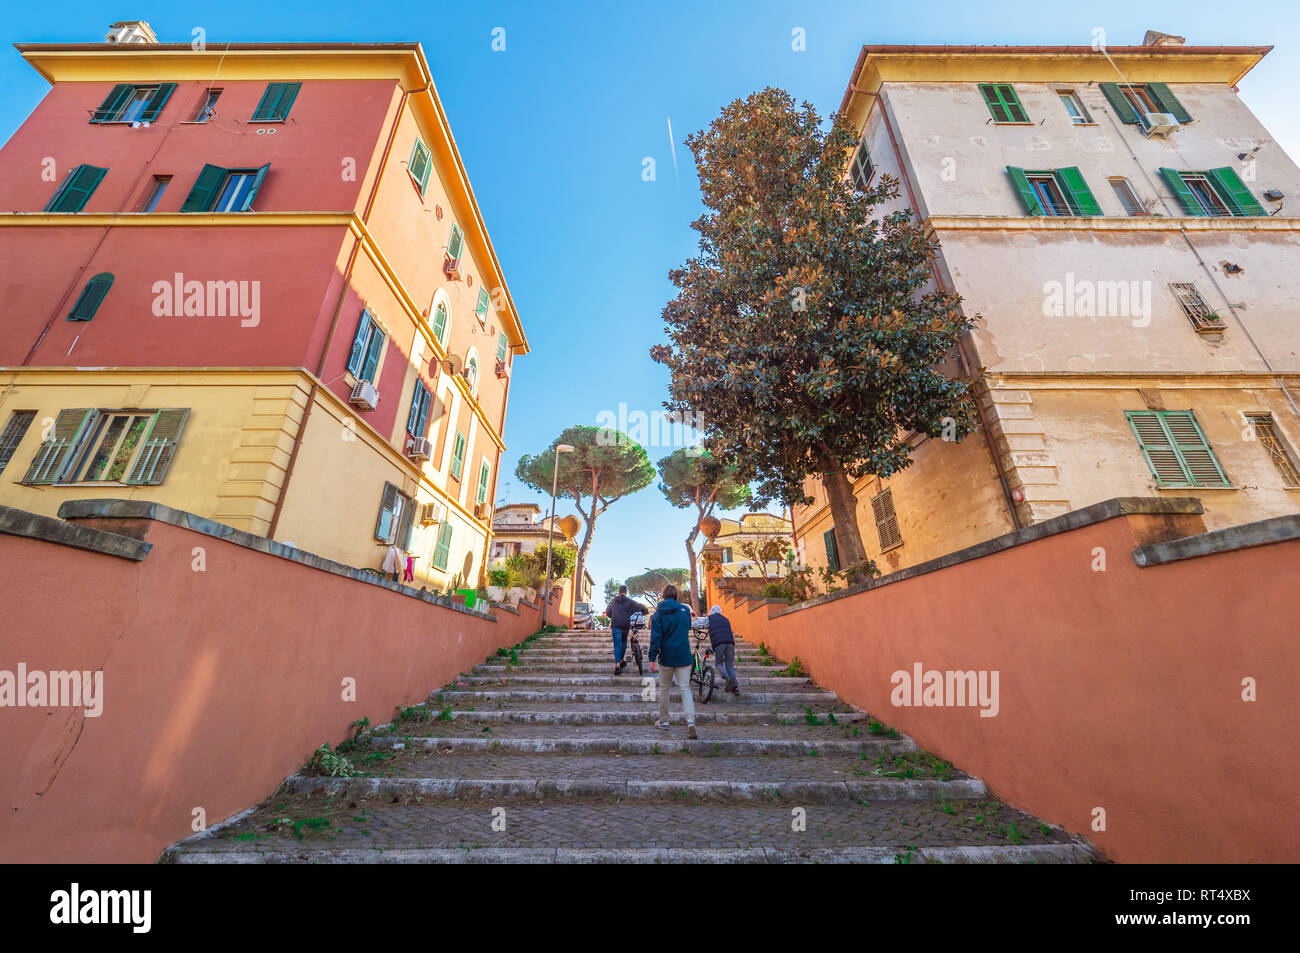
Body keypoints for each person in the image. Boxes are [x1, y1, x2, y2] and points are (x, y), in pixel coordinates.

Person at [648, 584, 697, 738]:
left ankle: (664, 720)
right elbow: (688, 626)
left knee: (664, 688)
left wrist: (652, 658)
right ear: (676, 595)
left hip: (666, 656)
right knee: (685, 688)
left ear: (663, 596)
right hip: (683, 654)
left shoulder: (658, 614)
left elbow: (655, 637)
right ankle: (690, 722)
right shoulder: (685, 611)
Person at [605, 585, 649, 676]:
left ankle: (618, 665)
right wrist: (645, 611)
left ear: (618, 592)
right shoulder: (629, 601)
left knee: (617, 644)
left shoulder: (613, 601)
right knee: (623, 642)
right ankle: (621, 660)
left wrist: (613, 617)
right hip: (625, 625)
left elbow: (608, 612)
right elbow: (640, 606)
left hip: (616, 625)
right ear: (626, 592)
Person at [707, 605, 740, 694]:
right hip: (730, 643)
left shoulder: (709, 618)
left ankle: (727, 677)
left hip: (719, 643)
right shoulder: (726, 619)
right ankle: (735, 687)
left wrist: (690, 625)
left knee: (718, 663)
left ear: (711, 611)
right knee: (729, 665)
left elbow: (699, 623)